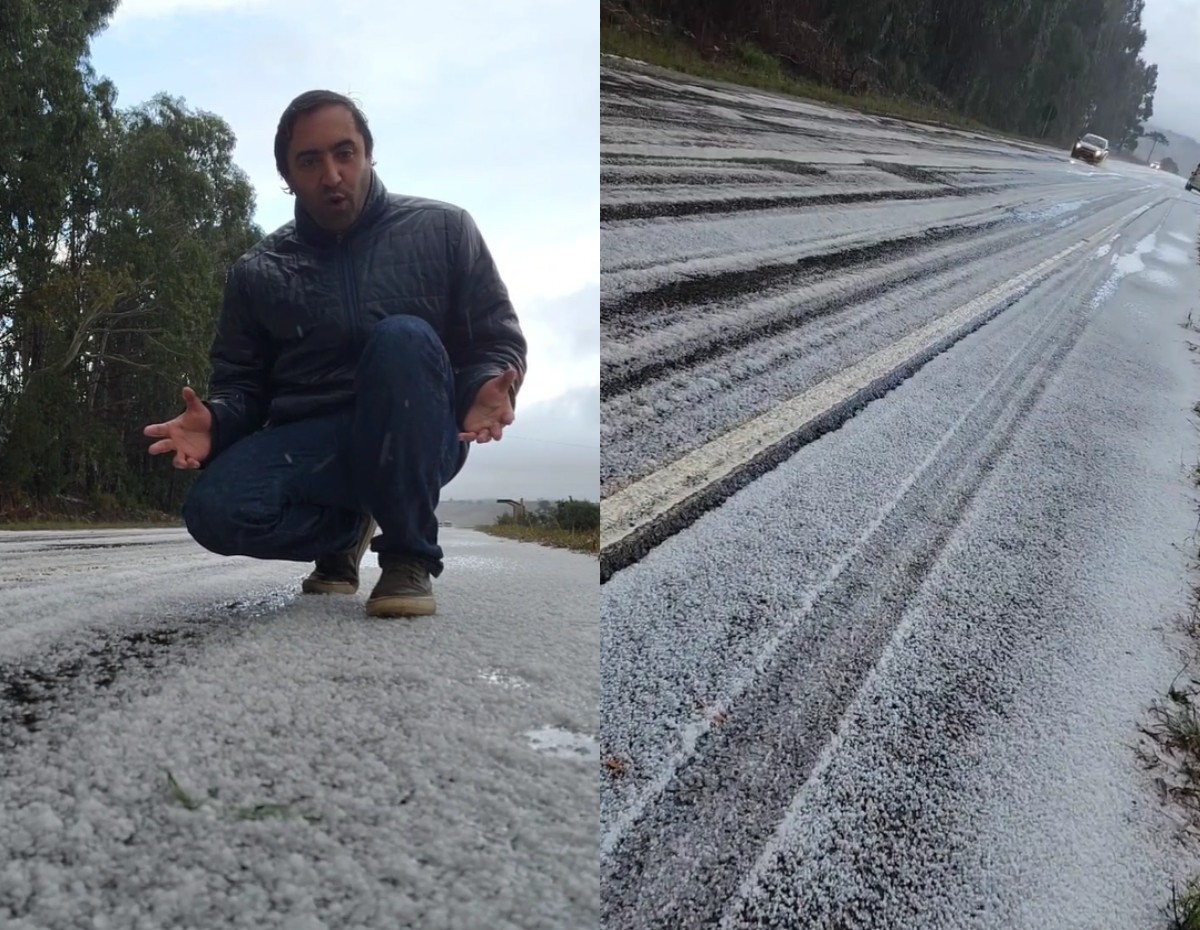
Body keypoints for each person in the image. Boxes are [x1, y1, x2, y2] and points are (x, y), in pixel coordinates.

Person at [142, 90, 526, 618]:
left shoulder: (445, 231)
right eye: (310, 161)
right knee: (212, 511)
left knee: (402, 337)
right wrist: (218, 422)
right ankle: (344, 530)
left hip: (415, 434)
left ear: (368, 152)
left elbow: (493, 340)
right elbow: (242, 385)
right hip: (313, 444)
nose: (331, 174)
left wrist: (483, 384)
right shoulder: (257, 271)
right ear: (287, 176)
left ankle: (409, 555)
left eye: (344, 153)